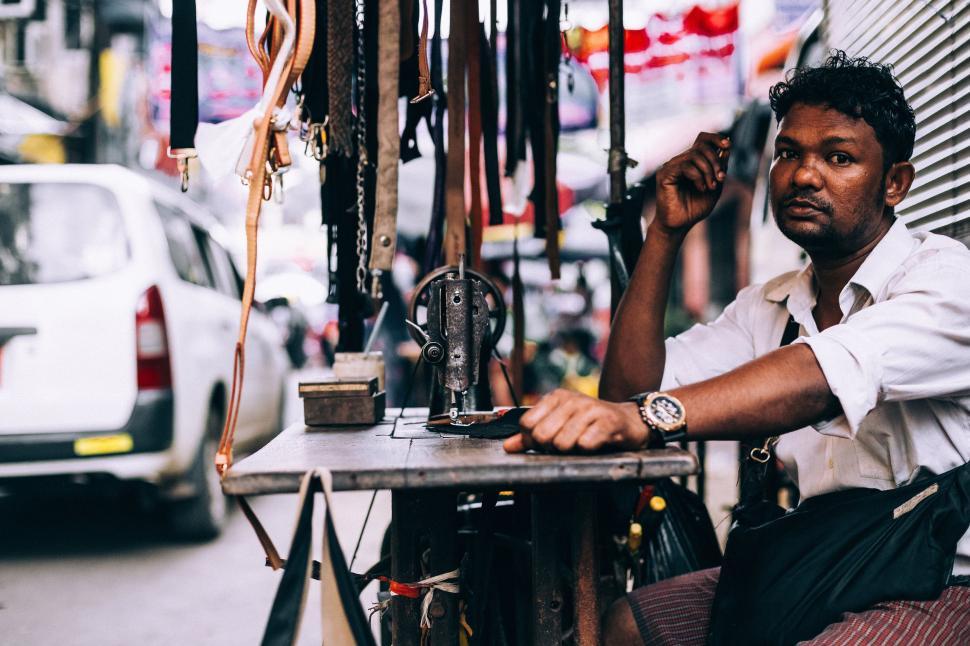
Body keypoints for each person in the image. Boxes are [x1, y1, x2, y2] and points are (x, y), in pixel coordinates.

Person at [503, 52, 970, 644]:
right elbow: (628, 390)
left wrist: (645, 418)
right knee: (626, 627)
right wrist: (666, 233)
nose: (803, 175)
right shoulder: (769, 307)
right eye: (789, 153)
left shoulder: (947, 281)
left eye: (839, 157)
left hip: (943, 582)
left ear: (895, 184)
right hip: (822, 562)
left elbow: (823, 373)